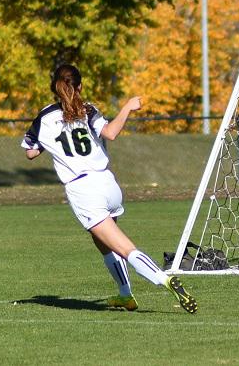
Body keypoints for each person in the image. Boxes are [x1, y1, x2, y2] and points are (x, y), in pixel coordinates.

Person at [21, 63, 198, 313]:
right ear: (80, 86)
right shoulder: (88, 109)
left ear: (55, 89)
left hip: (84, 191)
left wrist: (47, 145)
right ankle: (125, 295)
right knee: (102, 241)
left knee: (125, 249)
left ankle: (165, 279)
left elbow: (30, 152)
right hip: (107, 183)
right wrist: (127, 107)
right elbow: (110, 133)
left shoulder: (45, 117)